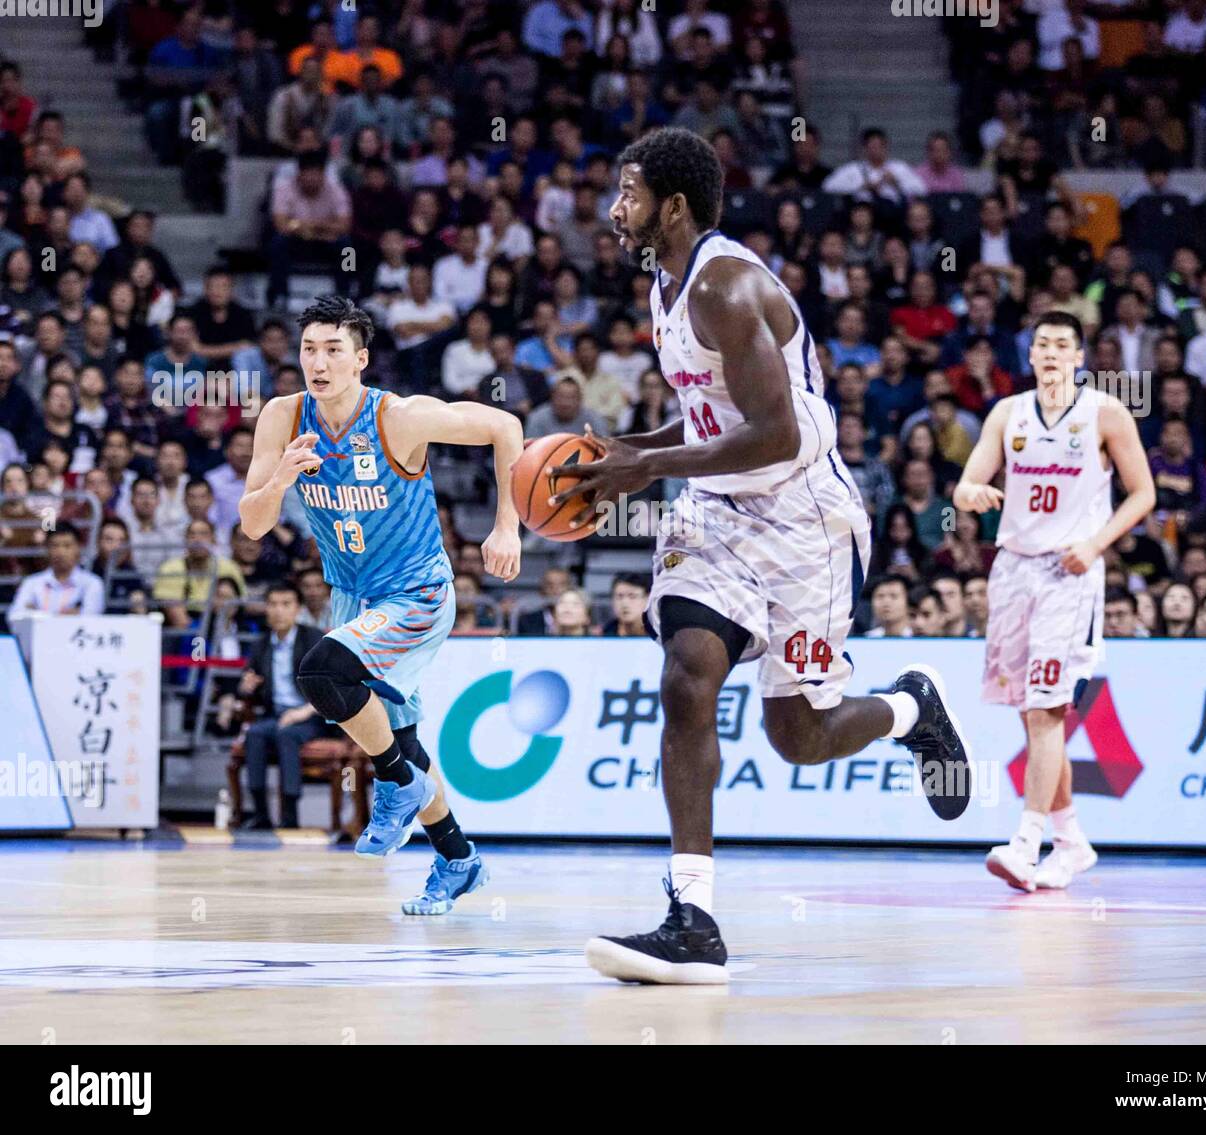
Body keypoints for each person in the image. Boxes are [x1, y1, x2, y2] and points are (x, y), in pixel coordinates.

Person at [559, 127, 972, 984]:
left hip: (801, 517)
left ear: (672, 206)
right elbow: (713, 418)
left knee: (801, 735)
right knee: (686, 674)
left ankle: (909, 709)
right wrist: (628, 453)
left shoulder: (727, 286)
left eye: (628, 193)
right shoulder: (667, 284)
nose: (615, 208)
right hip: (715, 511)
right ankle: (694, 918)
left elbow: (776, 431)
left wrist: (652, 466)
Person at [238, 296, 522, 916]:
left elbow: (506, 428)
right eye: (309, 349)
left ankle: (394, 785)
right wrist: (282, 478)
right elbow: (253, 526)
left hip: (417, 592)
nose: (319, 361)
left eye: (333, 349)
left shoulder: (401, 418)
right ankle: (457, 858)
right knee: (403, 742)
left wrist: (506, 525)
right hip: (353, 598)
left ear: (361, 359)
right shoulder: (282, 420)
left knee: (320, 673)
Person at [955, 310, 1156, 892]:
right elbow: (967, 484)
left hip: (1068, 575)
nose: (1049, 352)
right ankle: (1070, 842)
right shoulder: (1006, 413)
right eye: (1041, 343)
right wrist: (971, 493)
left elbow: (1143, 493)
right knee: (1031, 714)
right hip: (1013, 570)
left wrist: (1094, 545)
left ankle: (1026, 842)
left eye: (1061, 345)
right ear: (1031, 354)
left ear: (1078, 356)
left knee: (1046, 711)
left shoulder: (1105, 412)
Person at [236, 583, 328, 830]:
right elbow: (246, 682)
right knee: (254, 734)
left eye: (286, 604)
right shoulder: (261, 644)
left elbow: (331, 686)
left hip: (311, 716)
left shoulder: (314, 639)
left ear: (298, 609)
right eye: (273, 604)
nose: (279, 611)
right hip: (274, 715)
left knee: (286, 735)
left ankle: (289, 815)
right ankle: (260, 813)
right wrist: (247, 685)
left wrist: (303, 711)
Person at [7, 521, 104, 620]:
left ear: (78, 548)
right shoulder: (32, 582)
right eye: (55, 546)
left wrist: (35, 613)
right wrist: (64, 617)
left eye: (67, 546)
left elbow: (91, 620)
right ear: (46, 548)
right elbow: (14, 616)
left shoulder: (92, 583)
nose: (60, 552)